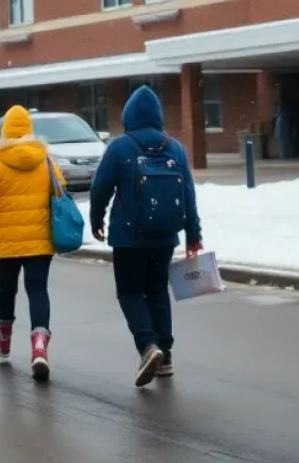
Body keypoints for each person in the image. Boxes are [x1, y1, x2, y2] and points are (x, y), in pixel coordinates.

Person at [90, 85, 202, 387]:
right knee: (156, 290)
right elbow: (188, 196)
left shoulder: (120, 147)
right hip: (165, 236)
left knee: (129, 292)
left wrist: (96, 219)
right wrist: (193, 235)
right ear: (158, 117)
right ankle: (165, 354)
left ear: (128, 117)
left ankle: (147, 346)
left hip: (128, 237)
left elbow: (100, 188)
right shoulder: (176, 148)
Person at [0, 105, 65, 380]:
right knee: (38, 291)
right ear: (29, 131)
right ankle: (39, 346)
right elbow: (60, 191)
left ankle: (3, 340)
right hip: (40, 241)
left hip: (6, 243)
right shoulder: (46, 161)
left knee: (6, 288)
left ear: (5, 132)